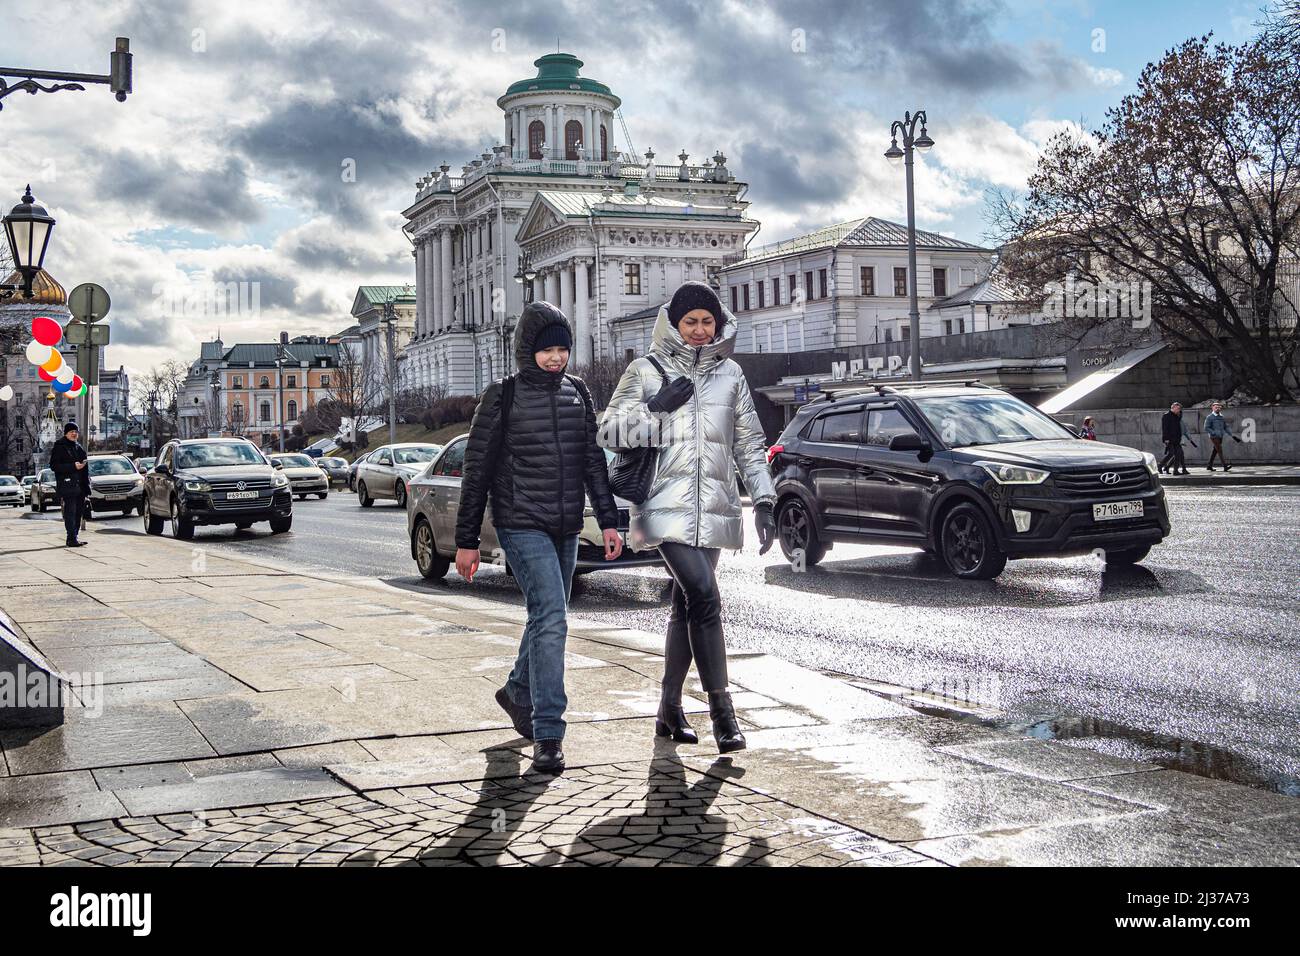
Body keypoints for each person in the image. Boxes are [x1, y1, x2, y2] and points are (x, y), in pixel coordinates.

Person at [601, 280, 777, 754]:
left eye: (707, 321)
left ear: (718, 324)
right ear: (674, 324)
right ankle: (723, 711)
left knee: (686, 605)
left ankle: (668, 709)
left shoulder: (732, 375)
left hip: (716, 507)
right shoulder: (645, 369)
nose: (700, 330)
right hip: (661, 505)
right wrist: (656, 408)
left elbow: (748, 445)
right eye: (690, 322)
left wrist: (764, 499)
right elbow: (610, 433)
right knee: (704, 593)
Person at [455, 301, 622, 775]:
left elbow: (592, 461)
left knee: (547, 615)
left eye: (562, 349)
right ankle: (548, 732)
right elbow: (476, 473)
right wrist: (467, 540)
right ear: (527, 350)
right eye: (547, 349)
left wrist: (608, 522)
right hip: (520, 522)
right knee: (552, 617)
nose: (556, 358)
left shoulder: (578, 393)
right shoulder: (501, 397)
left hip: (566, 524)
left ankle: (516, 691)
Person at [48, 421, 90, 547]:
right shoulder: (60, 446)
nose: (74, 434)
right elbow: (54, 466)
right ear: (66, 433)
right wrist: (73, 466)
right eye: (72, 432)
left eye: (76, 432)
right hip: (68, 486)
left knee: (78, 513)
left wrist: (86, 481)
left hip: (80, 485)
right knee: (70, 512)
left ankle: (74, 537)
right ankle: (71, 538)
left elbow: (84, 464)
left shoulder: (78, 446)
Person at [1159, 402, 1195, 475]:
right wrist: (1166, 439)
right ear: (1173, 407)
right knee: (1171, 453)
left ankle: (1175, 471)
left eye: (1180, 409)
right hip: (1169, 439)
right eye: (1178, 408)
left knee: (1178, 454)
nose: (1179, 410)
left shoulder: (1177, 416)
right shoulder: (1166, 416)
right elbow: (1165, 428)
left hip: (1177, 439)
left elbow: (1179, 428)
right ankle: (1160, 465)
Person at [1204, 402, 1240, 471]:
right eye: (1216, 407)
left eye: (1219, 407)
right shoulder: (1209, 417)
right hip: (1214, 437)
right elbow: (1206, 427)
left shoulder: (1221, 417)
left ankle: (1209, 465)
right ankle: (1225, 466)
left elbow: (1225, 427)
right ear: (1212, 408)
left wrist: (1231, 435)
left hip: (1220, 436)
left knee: (1215, 451)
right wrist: (1213, 433)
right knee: (1220, 450)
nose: (1218, 408)